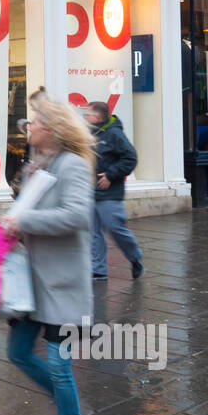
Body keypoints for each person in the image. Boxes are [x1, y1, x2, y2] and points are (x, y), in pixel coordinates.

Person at [0, 94, 95, 415]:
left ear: (52, 129)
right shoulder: (37, 165)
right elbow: (27, 214)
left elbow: (76, 216)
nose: (29, 128)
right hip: (32, 285)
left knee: (58, 364)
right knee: (18, 352)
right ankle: (70, 406)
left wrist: (24, 223)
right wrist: (9, 227)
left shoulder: (73, 166)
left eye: (34, 122)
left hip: (63, 285)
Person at [85, 101, 144, 281]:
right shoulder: (90, 134)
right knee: (94, 232)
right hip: (91, 192)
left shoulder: (114, 134)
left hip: (109, 193)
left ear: (96, 117)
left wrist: (111, 175)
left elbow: (131, 158)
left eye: (87, 114)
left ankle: (135, 257)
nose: (84, 117)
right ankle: (98, 270)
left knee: (116, 229)